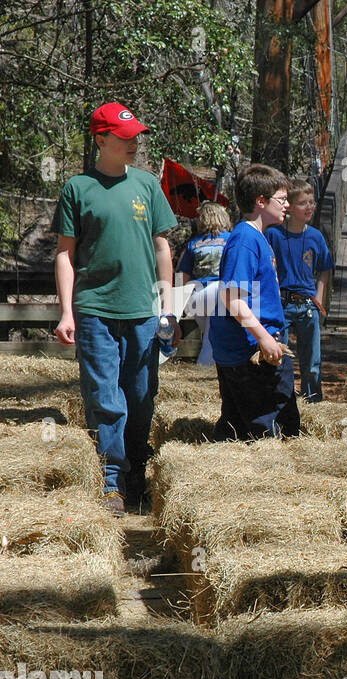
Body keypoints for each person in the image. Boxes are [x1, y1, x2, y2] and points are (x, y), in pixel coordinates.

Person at [54, 102, 179, 515]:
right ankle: (112, 482)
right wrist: (67, 312)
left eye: (136, 136)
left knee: (141, 396)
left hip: (143, 312)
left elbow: (163, 246)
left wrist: (169, 306)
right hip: (94, 310)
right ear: (100, 139)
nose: (134, 143)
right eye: (125, 137)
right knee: (105, 397)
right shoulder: (77, 188)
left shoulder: (147, 185)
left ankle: (138, 472)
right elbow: (65, 255)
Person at [211, 164, 299, 439]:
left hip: (255, 348)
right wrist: (264, 338)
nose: (287, 205)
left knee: (238, 429)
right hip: (250, 354)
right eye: (282, 200)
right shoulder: (244, 241)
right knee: (272, 429)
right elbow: (232, 299)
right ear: (261, 202)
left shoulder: (256, 237)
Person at [267, 179, 334, 403]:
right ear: (290, 207)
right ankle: (280, 401)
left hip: (307, 305)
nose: (309, 207)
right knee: (279, 356)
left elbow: (325, 269)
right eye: (302, 203)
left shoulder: (315, 236)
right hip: (282, 304)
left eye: (311, 202)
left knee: (312, 362)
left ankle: (312, 404)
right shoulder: (274, 235)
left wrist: (319, 297)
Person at [175, 200, 231, 366]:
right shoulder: (231, 239)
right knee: (213, 337)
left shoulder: (193, 243)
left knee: (209, 334)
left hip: (197, 296)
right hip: (220, 293)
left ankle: (207, 367)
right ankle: (207, 369)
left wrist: (178, 306)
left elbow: (182, 276)